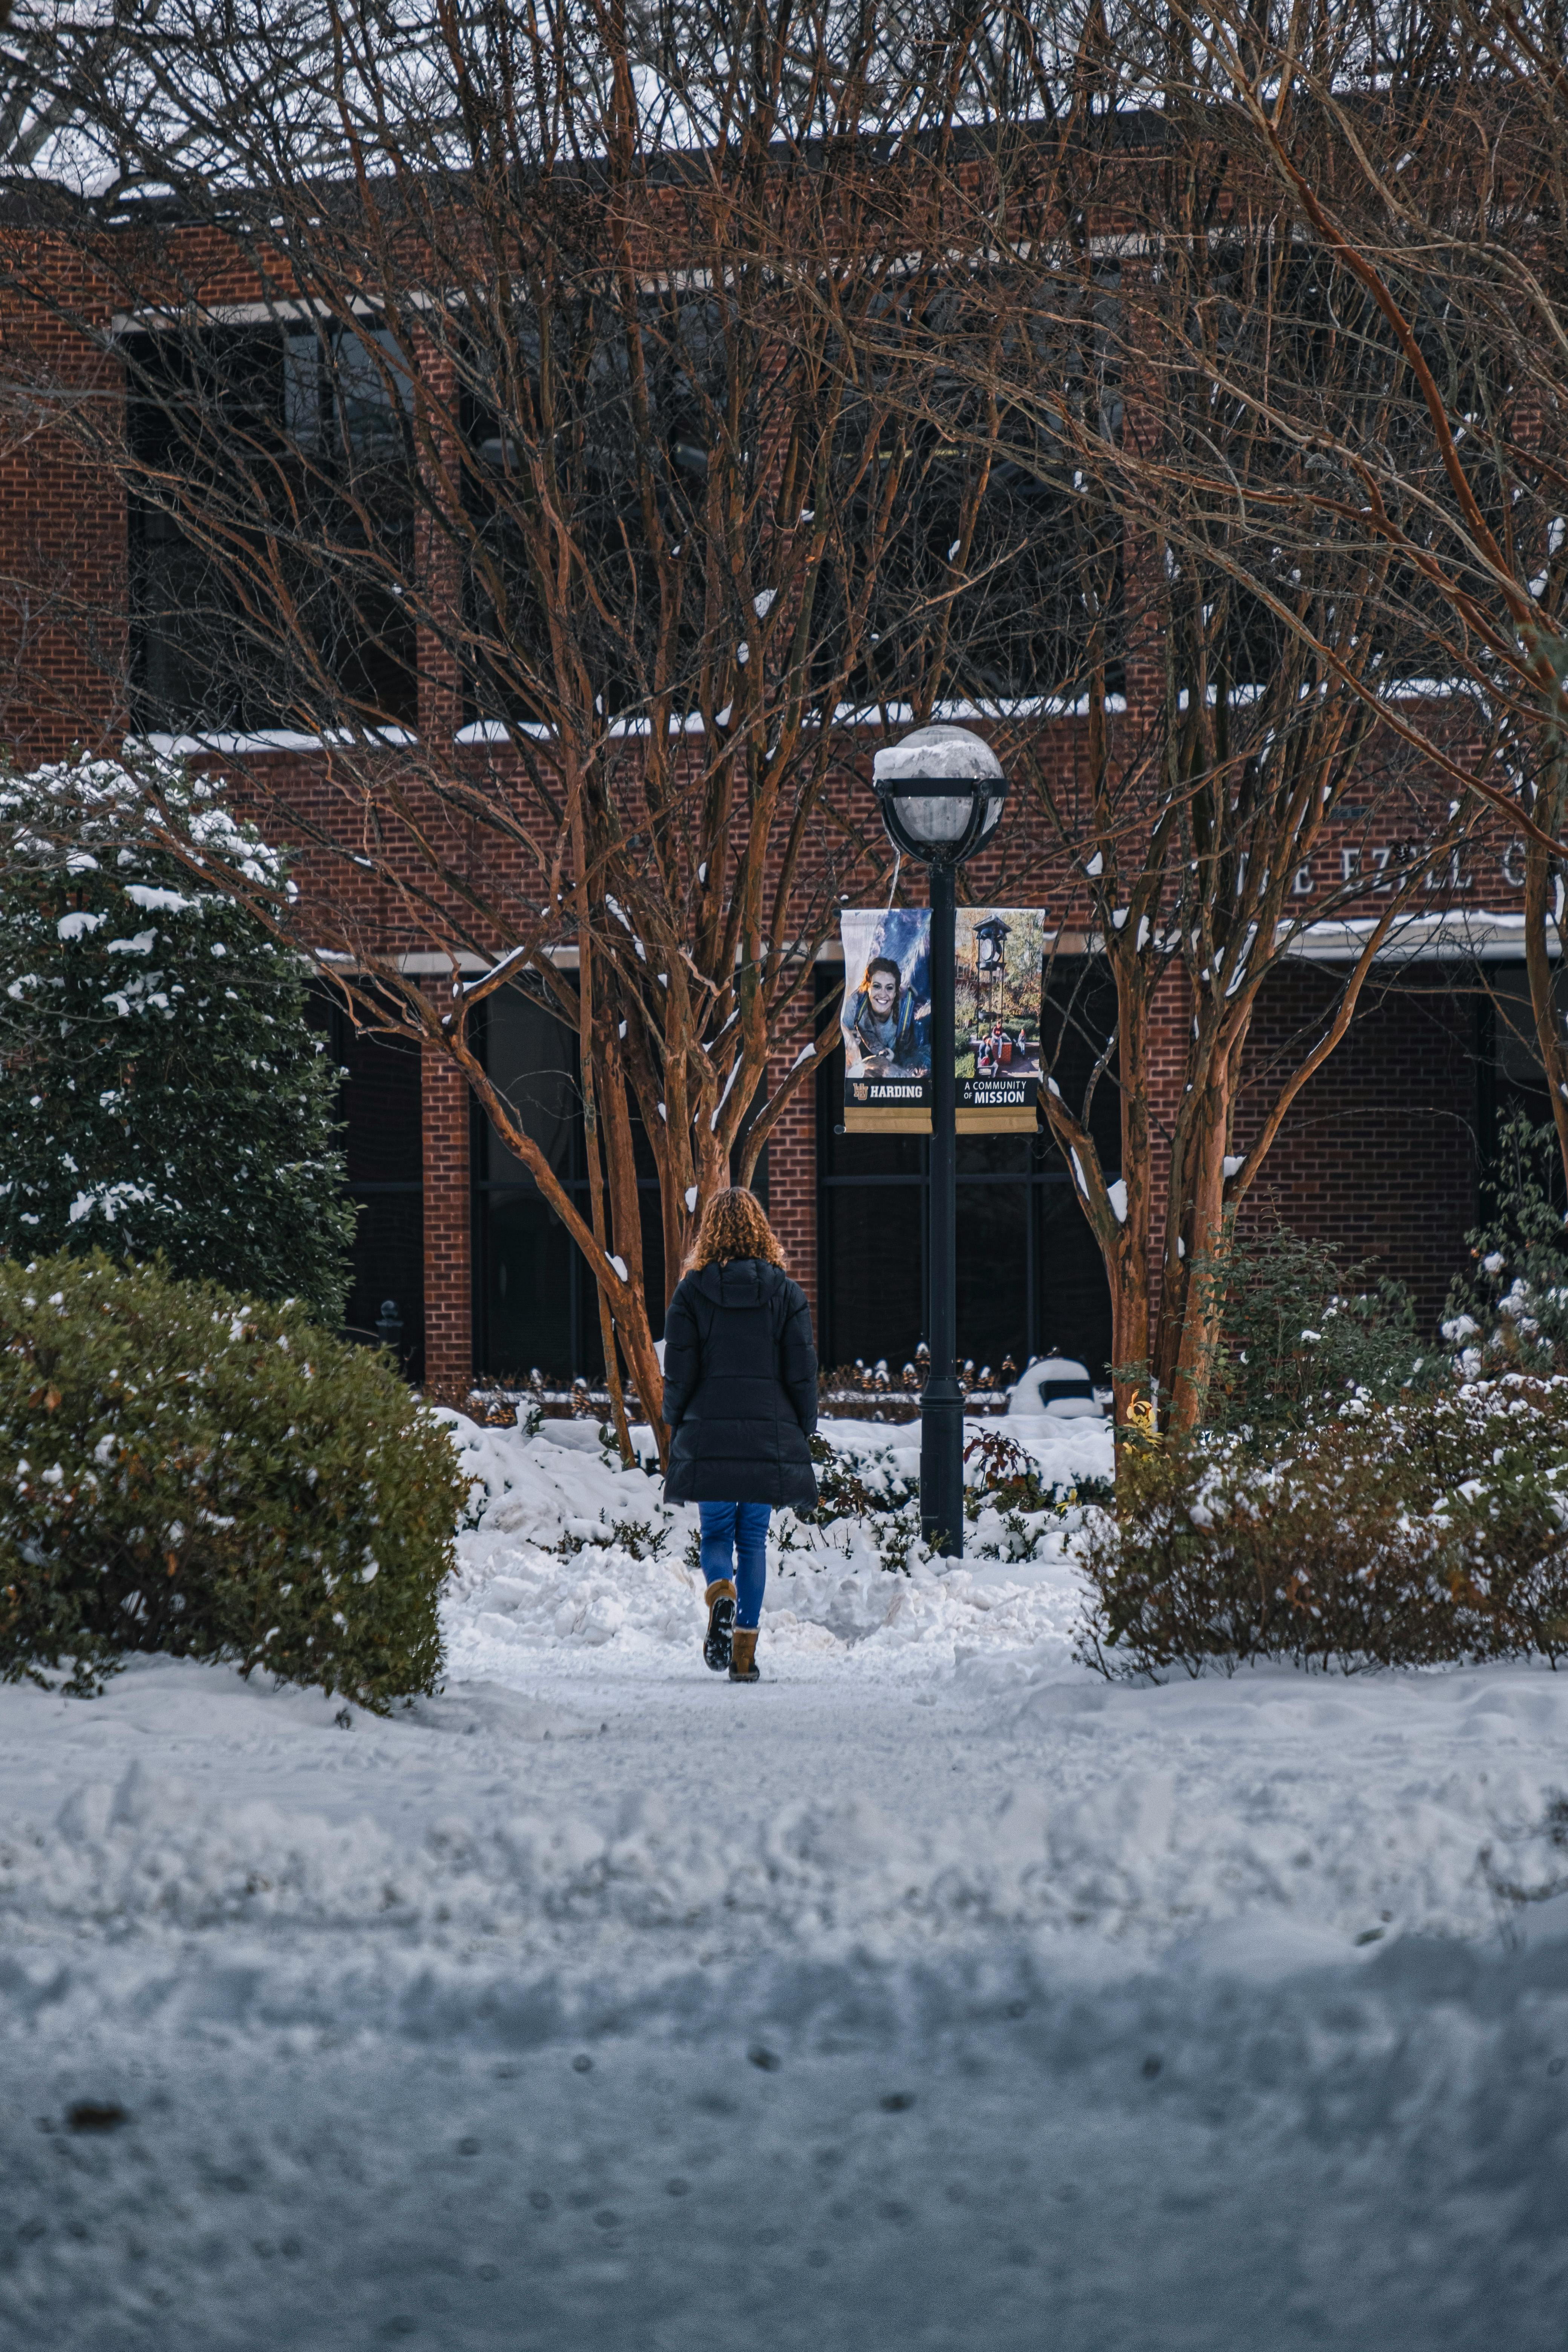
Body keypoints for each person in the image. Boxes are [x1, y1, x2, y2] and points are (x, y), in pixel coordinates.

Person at [661, 1187, 818, 1683]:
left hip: (711, 1436)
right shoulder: (787, 1294)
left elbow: (679, 1371)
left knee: (715, 1536)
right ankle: (744, 1655)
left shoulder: (691, 1293)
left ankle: (720, 1593)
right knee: (753, 1540)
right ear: (761, 1230)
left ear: (709, 1233)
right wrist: (802, 1428)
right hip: (766, 1435)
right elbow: (802, 1373)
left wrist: (675, 1420)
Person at [848, 955, 923, 1073]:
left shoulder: (911, 1008)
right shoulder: (855, 1004)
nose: (883, 995)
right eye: (877, 987)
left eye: (889, 988)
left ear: (896, 992)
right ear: (868, 987)